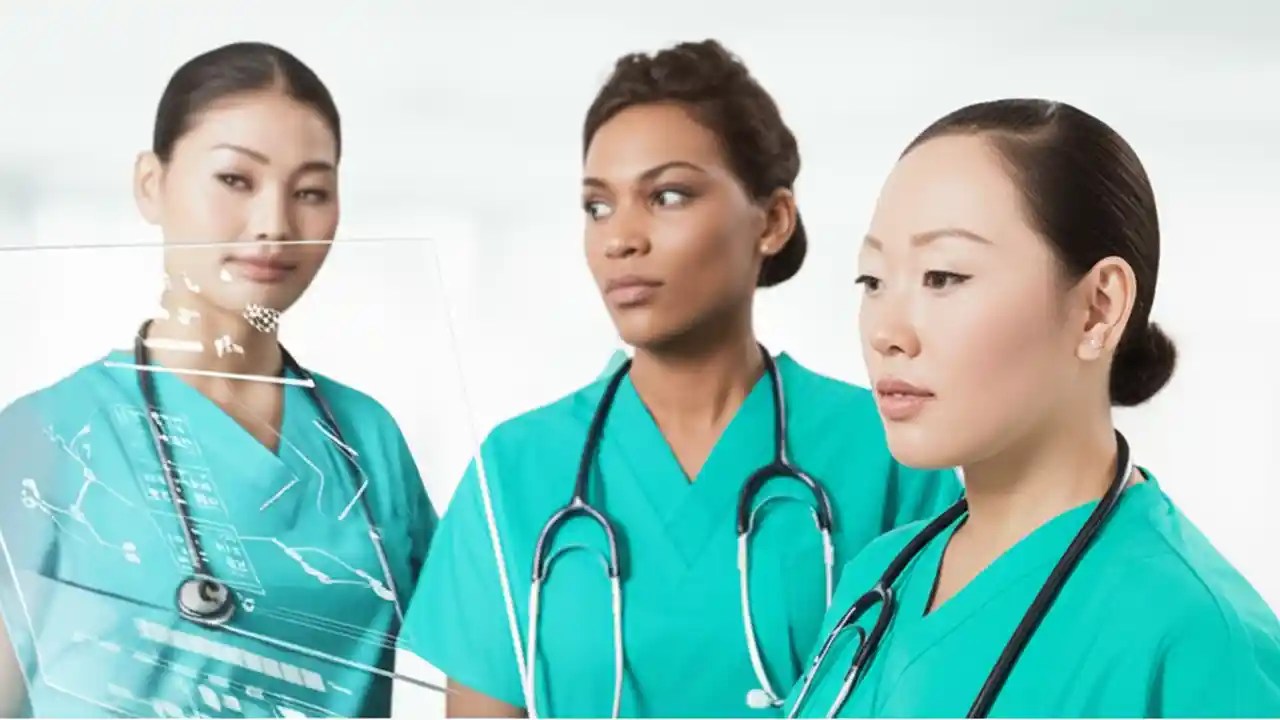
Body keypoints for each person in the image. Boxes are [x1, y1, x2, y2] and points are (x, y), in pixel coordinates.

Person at [397, 39, 961, 719]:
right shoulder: (515, 472)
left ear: (773, 221)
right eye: (598, 206)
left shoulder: (888, 451)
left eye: (666, 195)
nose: (620, 239)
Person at [783, 98, 1280, 718]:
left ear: (1098, 307)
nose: (887, 330)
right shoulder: (876, 578)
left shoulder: (1198, 639)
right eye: (873, 280)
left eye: (942, 275)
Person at [0, 42, 438, 718]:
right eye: (236, 180)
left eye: (311, 192)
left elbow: (483, 660)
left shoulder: (366, 439)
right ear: (151, 184)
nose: (275, 225)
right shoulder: (45, 438)